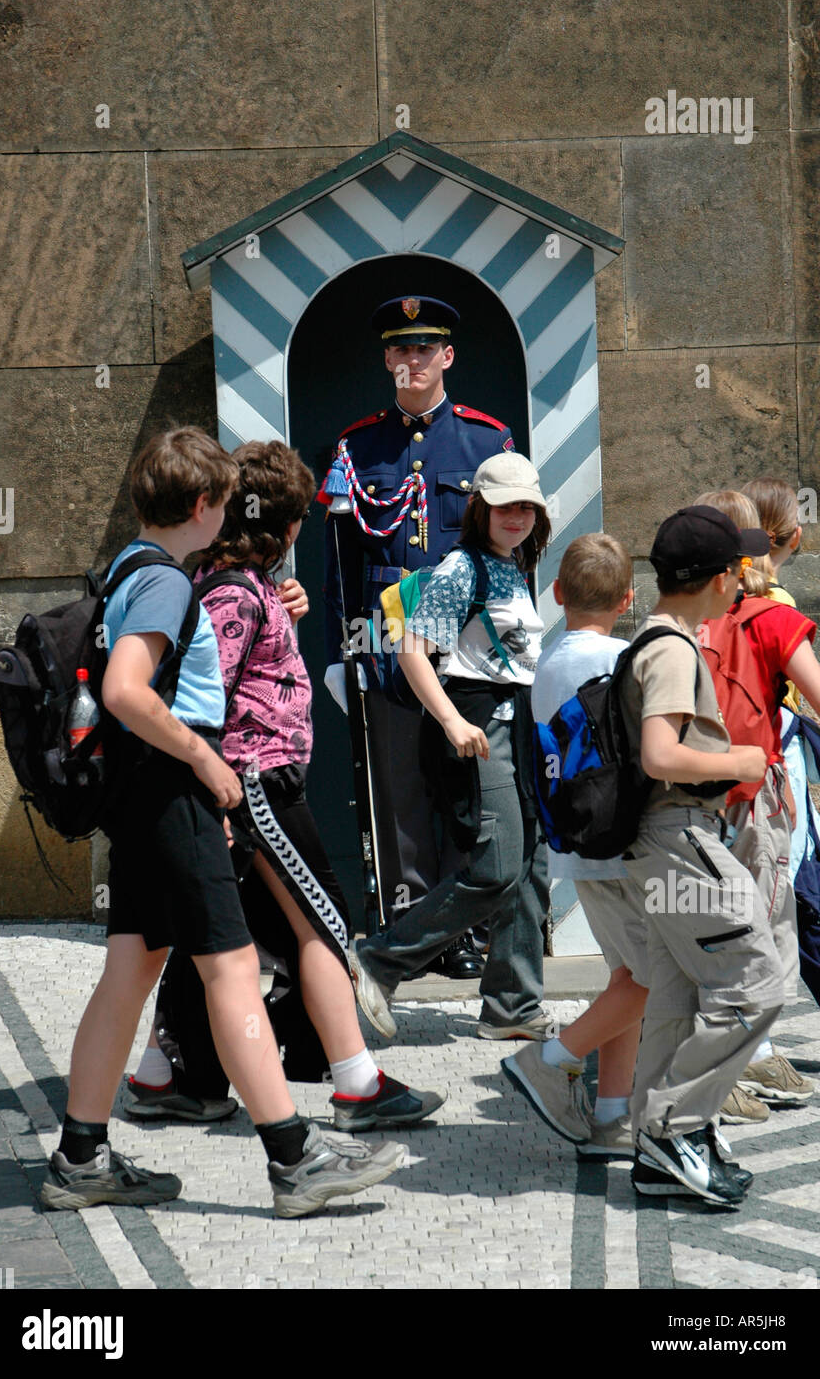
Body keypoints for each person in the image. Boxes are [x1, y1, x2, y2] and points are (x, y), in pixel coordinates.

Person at [40, 427, 406, 1219]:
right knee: (233, 970)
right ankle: (294, 1157)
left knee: (131, 973)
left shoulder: (129, 569)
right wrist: (207, 764)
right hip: (176, 792)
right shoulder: (170, 583)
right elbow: (128, 691)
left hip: (140, 796)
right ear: (204, 506)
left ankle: (80, 1154)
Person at [129, 440, 445, 1132]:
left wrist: (279, 608)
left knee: (215, 934)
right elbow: (203, 693)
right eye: (301, 514)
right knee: (325, 924)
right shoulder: (235, 594)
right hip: (256, 783)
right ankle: (357, 1084)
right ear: (282, 523)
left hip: (248, 783)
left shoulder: (246, 587)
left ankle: (161, 1075)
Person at [319, 295, 531, 977]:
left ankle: (465, 931)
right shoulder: (357, 448)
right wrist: (343, 650)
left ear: (448, 356)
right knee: (401, 796)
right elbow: (343, 568)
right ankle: (414, 928)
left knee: (471, 797)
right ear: (386, 359)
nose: (412, 361)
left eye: (424, 349)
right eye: (400, 349)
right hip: (386, 650)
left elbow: (510, 558)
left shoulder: (486, 441)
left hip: (467, 652)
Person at [603, 504, 784, 1207]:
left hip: (662, 843)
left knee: (677, 999)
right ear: (715, 579)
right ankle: (671, 1127)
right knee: (758, 984)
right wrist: (741, 756)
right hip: (678, 835)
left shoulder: (656, 638)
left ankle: (663, 1154)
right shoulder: (673, 648)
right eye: (736, 570)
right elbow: (659, 754)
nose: (743, 583)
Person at [348, 451, 551, 1040]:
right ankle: (379, 960)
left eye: (526, 507)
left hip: (516, 728)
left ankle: (512, 1005)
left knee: (529, 865)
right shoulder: (463, 569)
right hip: (480, 726)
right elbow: (412, 649)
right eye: (504, 505)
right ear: (480, 508)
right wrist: (451, 723)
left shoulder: (510, 566)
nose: (516, 516)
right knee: (493, 867)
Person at [502, 534, 647, 1158]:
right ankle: (551, 1060)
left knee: (627, 975)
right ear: (629, 597)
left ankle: (612, 1115)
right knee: (651, 977)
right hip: (628, 841)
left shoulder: (547, 664)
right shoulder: (629, 657)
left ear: (556, 595)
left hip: (577, 840)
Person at [696, 487, 820, 1109]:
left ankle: (735, 1054)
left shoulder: (678, 618)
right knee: (769, 925)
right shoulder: (773, 616)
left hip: (688, 795)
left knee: (708, 928)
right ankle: (744, 1056)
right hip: (755, 791)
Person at [743, 476, 820, 1040]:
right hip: (775, 774)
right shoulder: (775, 605)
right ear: (794, 536)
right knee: (808, 903)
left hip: (739, 774)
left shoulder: (719, 598)